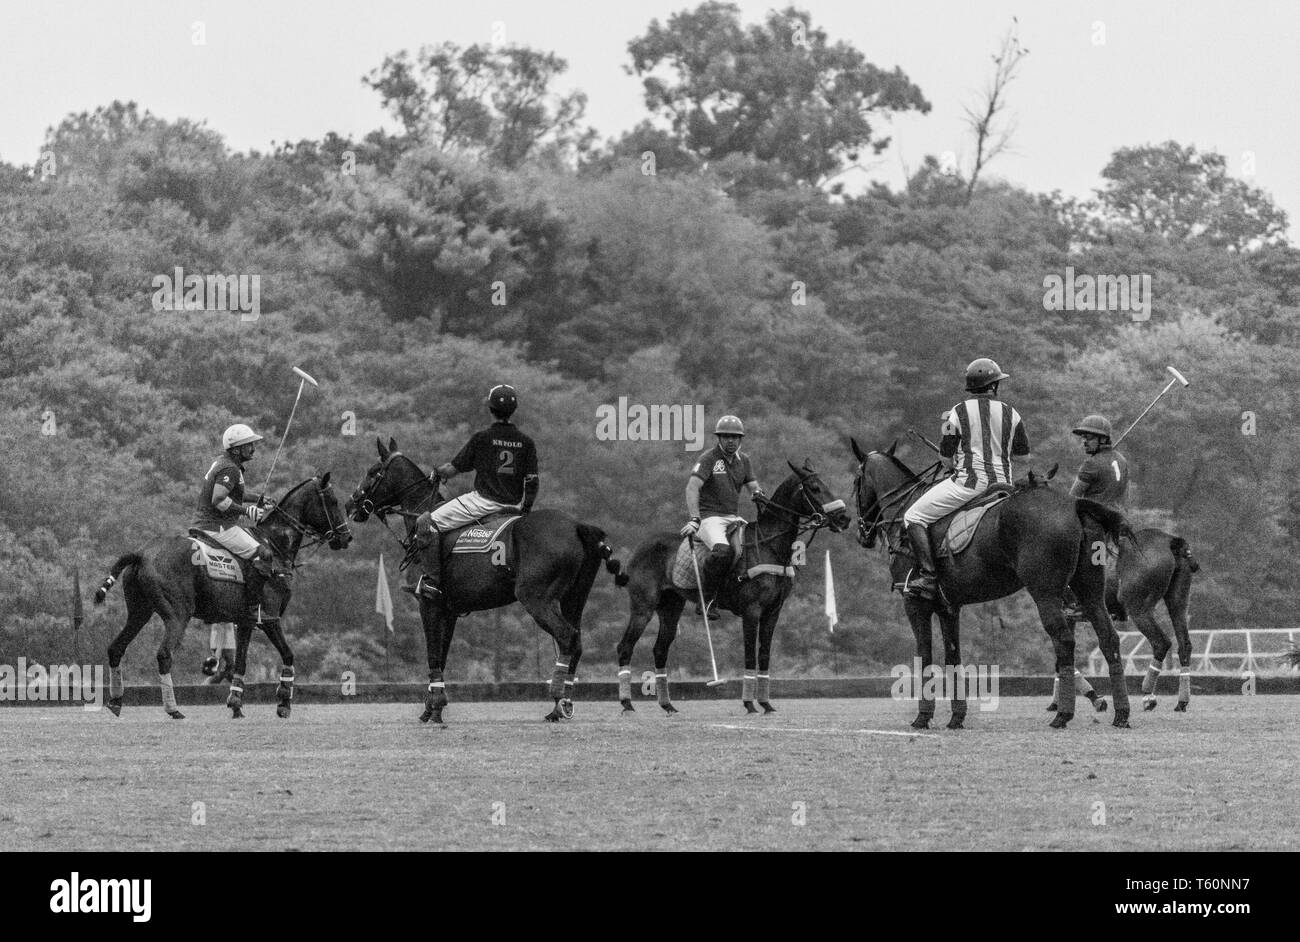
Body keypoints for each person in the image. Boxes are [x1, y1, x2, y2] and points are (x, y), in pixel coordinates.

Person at [901, 358, 1030, 602]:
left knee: (913, 516)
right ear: (993, 387)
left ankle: (928, 578)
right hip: (1004, 486)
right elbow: (1024, 455)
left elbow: (946, 459)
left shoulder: (956, 413)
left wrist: (958, 458)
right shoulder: (1012, 413)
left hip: (970, 485)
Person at [410, 384, 538, 601]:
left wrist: (437, 473)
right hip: (514, 507)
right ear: (513, 410)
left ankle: (432, 583)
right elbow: (532, 482)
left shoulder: (483, 438)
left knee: (425, 523)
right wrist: (525, 509)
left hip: (483, 502)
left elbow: (453, 468)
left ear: (491, 408)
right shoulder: (526, 443)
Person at [194, 424, 281, 624]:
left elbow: (235, 493)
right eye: (248, 445)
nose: (253, 448)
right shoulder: (230, 469)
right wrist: (246, 511)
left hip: (206, 522)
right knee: (264, 554)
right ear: (236, 449)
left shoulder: (224, 463)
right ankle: (251, 609)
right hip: (217, 526)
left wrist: (257, 499)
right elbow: (218, 499)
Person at [680, 415, 766, 615]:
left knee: (751, 548)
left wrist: (759, 496)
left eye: (735, 437)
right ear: (719, 438)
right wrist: (695, 519)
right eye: (726, 436)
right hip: (710, 518)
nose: (730, 441)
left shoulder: (743, 460)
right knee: (722, 552)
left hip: (732, 517)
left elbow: (753, 486)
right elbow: (692, 488)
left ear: (740, 440)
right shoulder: (709, 458)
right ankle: (707, 600)